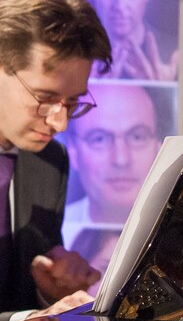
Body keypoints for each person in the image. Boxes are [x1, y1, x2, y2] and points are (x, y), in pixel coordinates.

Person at [0, 0, 112, 321]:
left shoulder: (50, 162)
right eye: (46, 98)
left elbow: (27, 289)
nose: (60, 122)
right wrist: (23, 320)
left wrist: (51, 291)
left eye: (73, 102)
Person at [61, 82, 167, 246]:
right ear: (74, 152)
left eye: (137, 137)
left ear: (159, 148)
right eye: (99, 139)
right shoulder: (48, 237)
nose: (121, 159)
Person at [89, 0, 179, 81]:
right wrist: (86, 90)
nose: (120, 5)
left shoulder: (172, 55)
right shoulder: (78, 54)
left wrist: (163, 91)